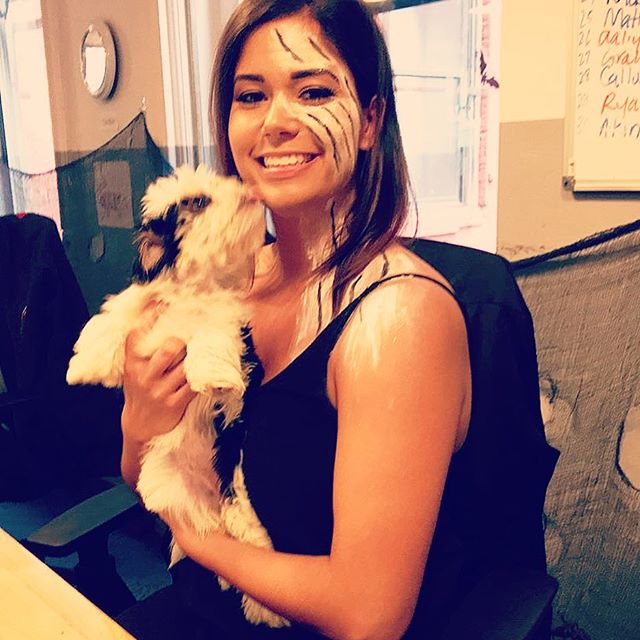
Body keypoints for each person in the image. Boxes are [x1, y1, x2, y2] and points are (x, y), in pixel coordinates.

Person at [116, 1, 521, 638]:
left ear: (369, 122)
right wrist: (139, 419)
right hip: (202, 611)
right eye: (250, 96)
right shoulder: (226, 282)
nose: (275, 121)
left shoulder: (398, 318)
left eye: (313, 91)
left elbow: (368, 615)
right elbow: (151, 476)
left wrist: (197, 539)